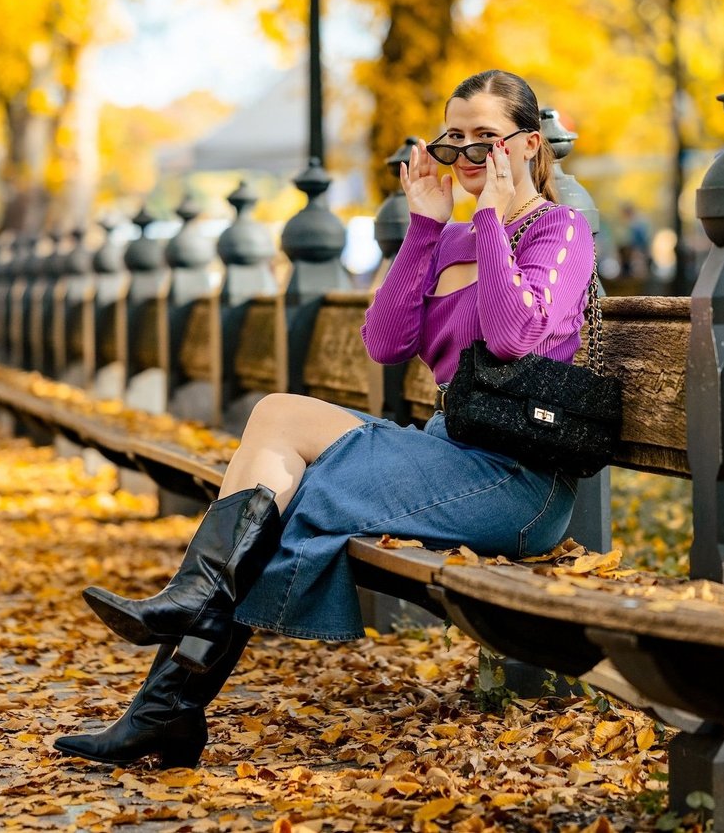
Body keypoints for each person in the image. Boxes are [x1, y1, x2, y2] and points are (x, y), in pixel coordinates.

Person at [54, 69, 595, 769]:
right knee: (277, 453)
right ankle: (170, 696)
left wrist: (489, 217)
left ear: (527, 145)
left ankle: (175, 676)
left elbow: (517, 332)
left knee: (279, 449)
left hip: (519, 483)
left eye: (485, 140)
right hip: (449, 455)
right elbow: (385, 342)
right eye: (453, 138)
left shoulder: (559, 229)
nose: (465, 156)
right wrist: (427, 228)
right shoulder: (451, 240)